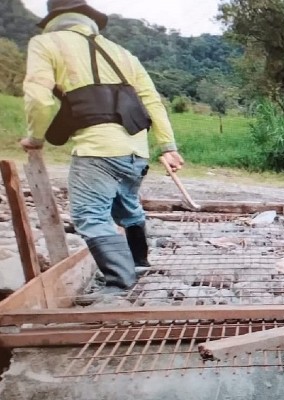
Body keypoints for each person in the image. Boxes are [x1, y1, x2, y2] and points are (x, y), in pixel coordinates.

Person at [19, 0, 185, 304]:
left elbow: (39, 100)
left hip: (97, 149)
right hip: (136, 149)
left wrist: (35, 138)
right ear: (88, 19)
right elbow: (153, 102)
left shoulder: (45, 43)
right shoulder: (123, 54)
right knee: (126, 207)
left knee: (89, 215)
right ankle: (138, 262)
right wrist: (168, 146)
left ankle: (120, 283)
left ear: (54, 19)